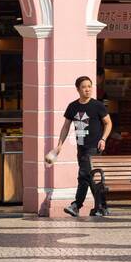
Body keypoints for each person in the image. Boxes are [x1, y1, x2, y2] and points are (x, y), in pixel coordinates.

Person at [50, 76, 112, 219]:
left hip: (94, 148)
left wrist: (103, 139)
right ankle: (101, 206)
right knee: (89, 178)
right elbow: (66, 126)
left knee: (83, 175)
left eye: (89, 86)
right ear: (78, 89)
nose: (87, 89)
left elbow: (108, 123)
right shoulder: (73, 106)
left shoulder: (97, 106)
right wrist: (59, 145)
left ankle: (76, 205)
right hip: (81, 148)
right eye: (84, 87)